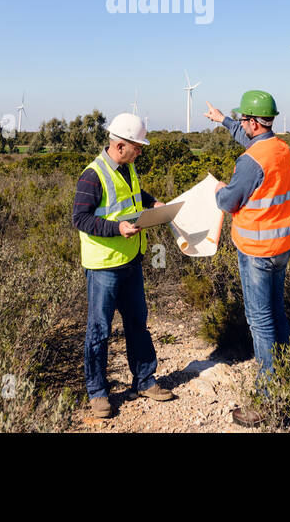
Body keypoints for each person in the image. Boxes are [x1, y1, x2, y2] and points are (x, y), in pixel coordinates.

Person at [72, 111, 176, 419]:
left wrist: (153, 203)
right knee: (99, 331)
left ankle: (144, 380)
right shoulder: (92, 175)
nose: (140, 151)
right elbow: (80, 218)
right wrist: (116, 229)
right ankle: (97, 393)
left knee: (137, 324)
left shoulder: (127, 168)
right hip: (104, 266)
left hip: (131, 261)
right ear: (120, 146)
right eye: (138, 146)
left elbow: (134, 196)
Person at [204, 90, 290, 428]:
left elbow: (230, 202)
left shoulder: (251, 161)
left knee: (261, 323)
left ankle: (268, 402)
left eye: (243, 119)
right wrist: (223, 121)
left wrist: (218, 190)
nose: (241, 124)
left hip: (256, 253)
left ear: (255, 122)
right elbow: (250, 142)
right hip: (280, 249)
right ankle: (285, 382)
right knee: (277, 314)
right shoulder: (279, 149)